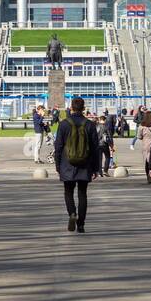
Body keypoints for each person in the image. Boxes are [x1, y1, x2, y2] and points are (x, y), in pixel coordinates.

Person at [53, 96, 100, 232]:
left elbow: (59, 147)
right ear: (84, 108)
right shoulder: (90, 124)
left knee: (68, 192)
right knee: (82, 193)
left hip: (67, 164)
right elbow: (95, 148)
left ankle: (72, 213)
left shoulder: (64, 124)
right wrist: (96, 168)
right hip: (85, 163)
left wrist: (58, 165)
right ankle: (81, 224)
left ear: (71, 108)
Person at [136, 110, 151, 184]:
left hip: (145, 145)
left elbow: (139, 137)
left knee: (146, 161)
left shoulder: (141, 126)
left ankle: (147, 175)